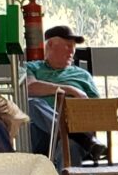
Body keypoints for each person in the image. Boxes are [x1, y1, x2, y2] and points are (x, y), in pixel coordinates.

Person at [22, 24, 103, 162]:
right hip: (40, 136)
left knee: (69, 146)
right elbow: (29, 87)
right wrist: (70, 90)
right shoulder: (31, 68)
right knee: (32, 103)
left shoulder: (83, 76)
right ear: (50, 45)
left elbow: (98, 108)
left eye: (73, 46)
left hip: (77, 126)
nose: (72, 51)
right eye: (67, 45)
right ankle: (77, 136)